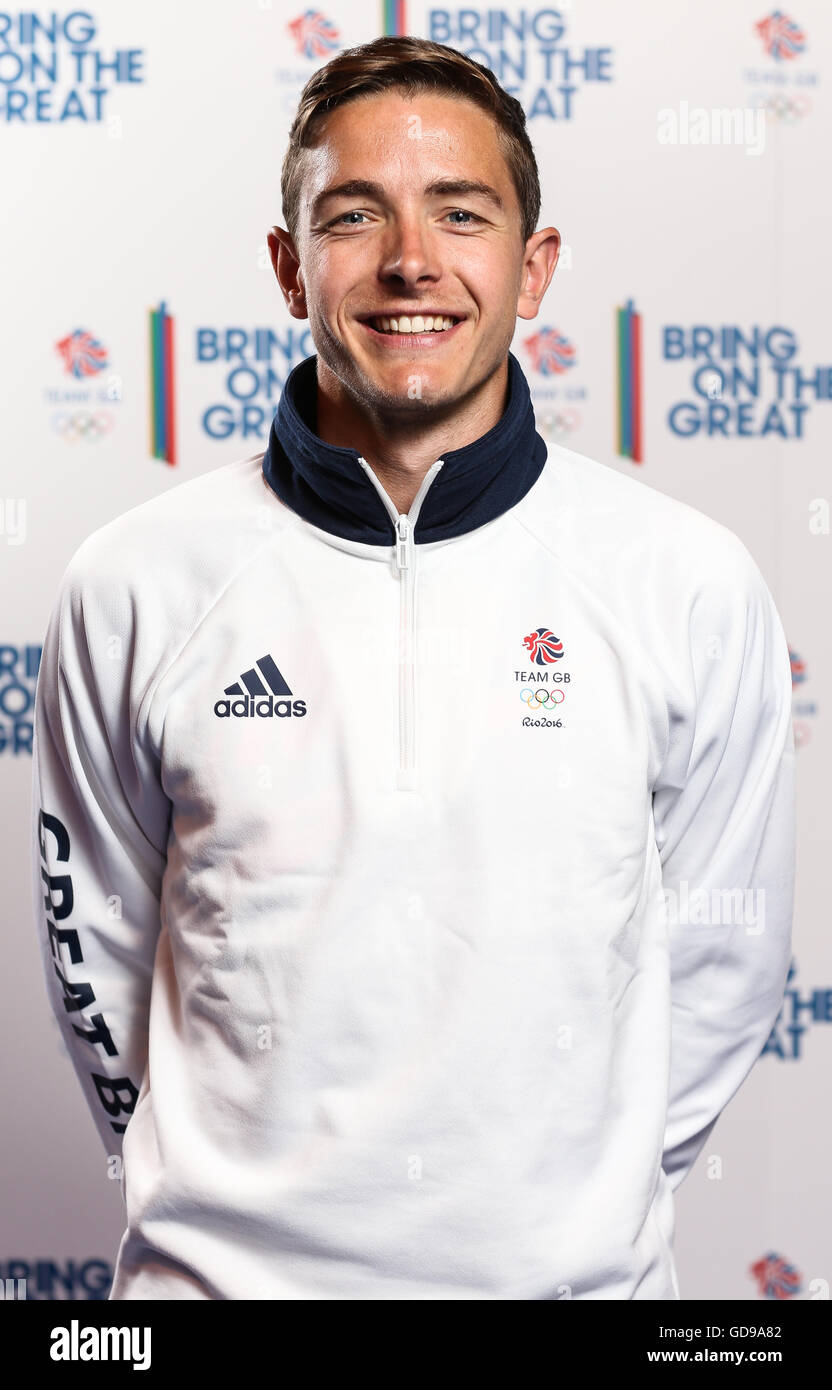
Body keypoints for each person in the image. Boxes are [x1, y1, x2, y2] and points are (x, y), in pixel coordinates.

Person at [30, 34, 796, 1301]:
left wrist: (567, 1215)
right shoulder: (137, 581)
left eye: (461, 213)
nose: (409, 262)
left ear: (532, 265)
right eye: (353, 215)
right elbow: (95, 954)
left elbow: (725, 967)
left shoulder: (686, 581)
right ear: (288, 266)